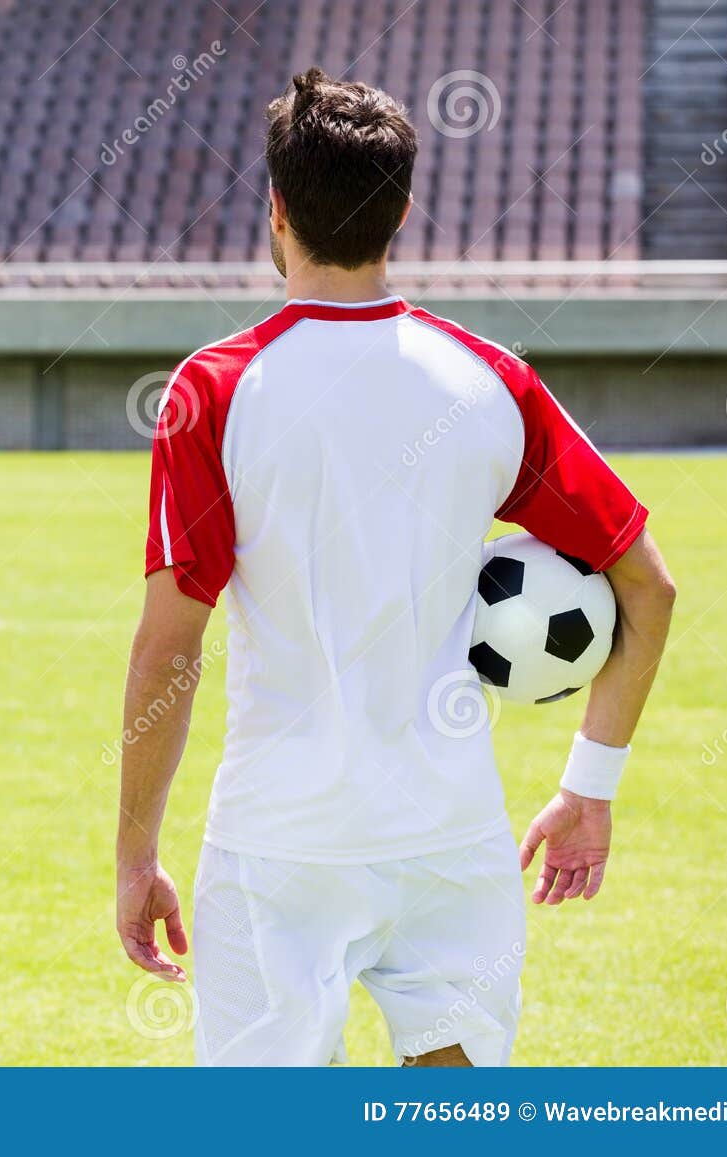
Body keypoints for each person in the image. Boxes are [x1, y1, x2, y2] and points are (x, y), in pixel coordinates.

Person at [114, 68, 677, 1067]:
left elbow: (168, 652)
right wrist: (589, 786)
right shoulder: (490, 379)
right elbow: (647, 584)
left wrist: (134, 857)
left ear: (276, 207)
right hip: (448, 835)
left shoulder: (212, 390)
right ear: (402, 211)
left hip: (277, 841)